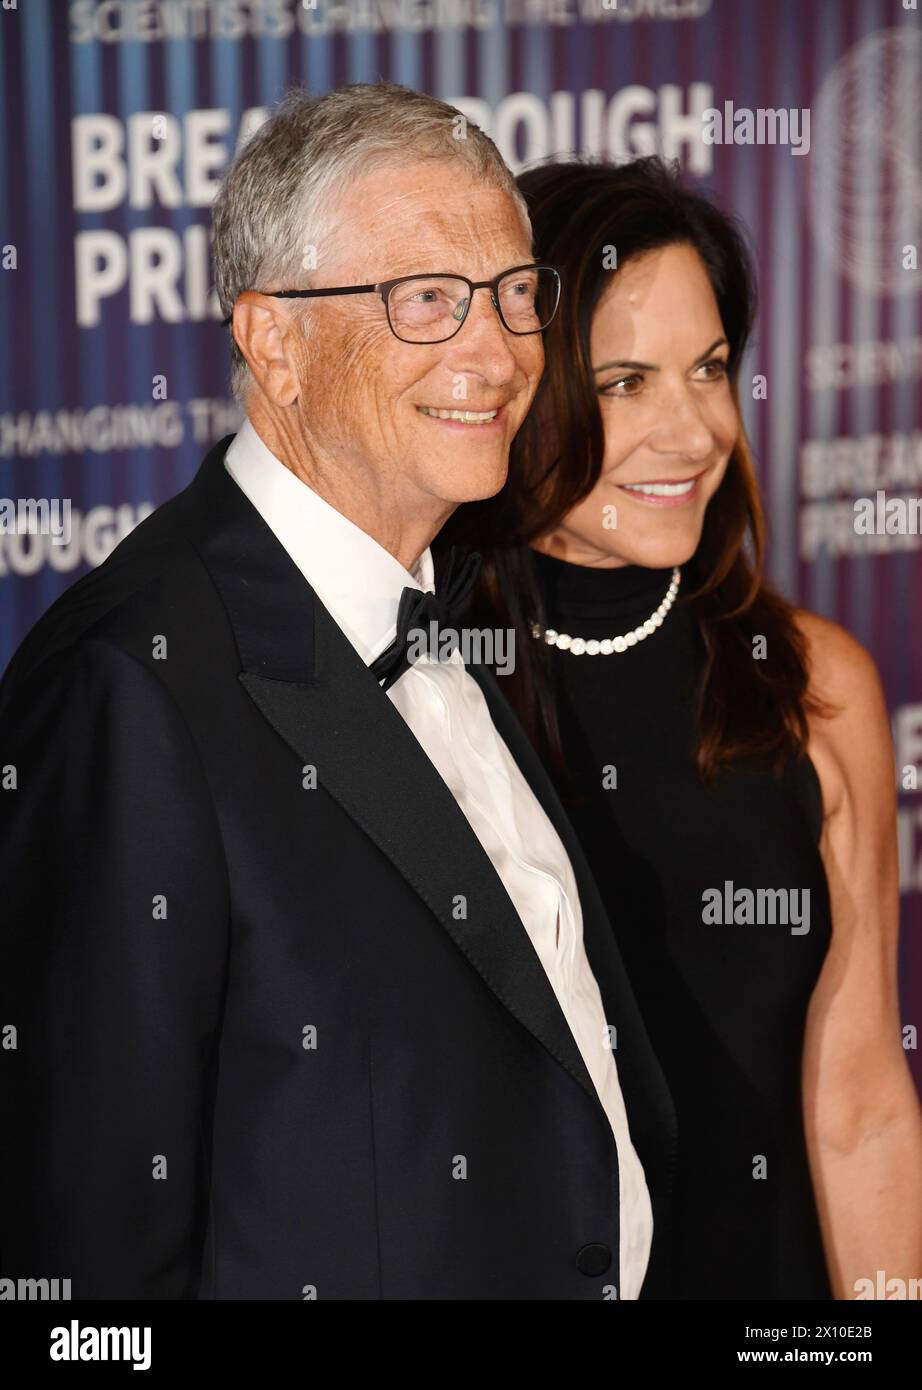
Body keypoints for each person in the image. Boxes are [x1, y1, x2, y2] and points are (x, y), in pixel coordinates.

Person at [0, 88, 676, 1301]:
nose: (498, 352)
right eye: (426, 301)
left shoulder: (450, 605)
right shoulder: (127, 689)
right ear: (273, 344)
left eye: (518, 292)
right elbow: (84, 1261)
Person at [440, 157, 922, 1300]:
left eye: (708, 370)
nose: (695, 430)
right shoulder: (423, 694)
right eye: (622, 383)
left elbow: (856, 1109)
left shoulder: (812, 688)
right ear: (512, 385)